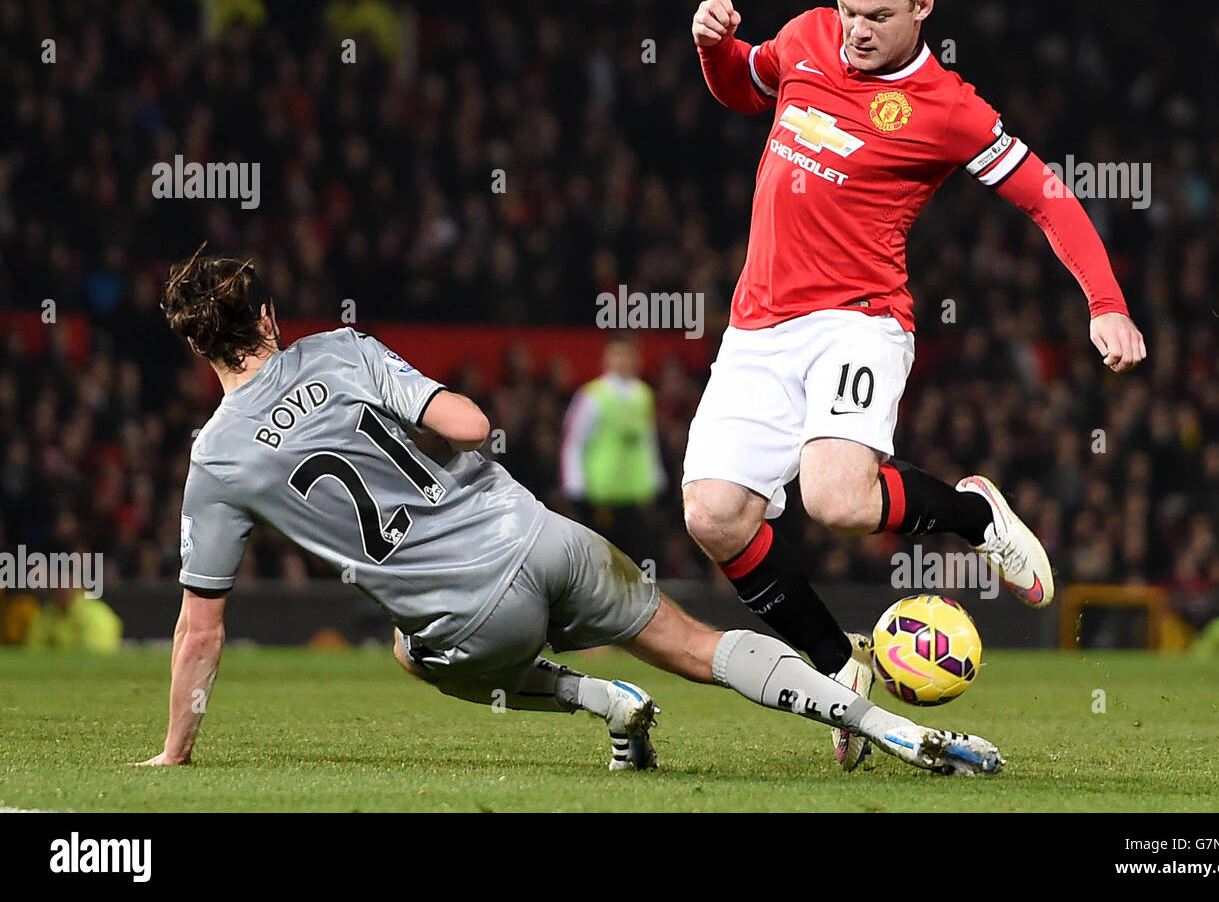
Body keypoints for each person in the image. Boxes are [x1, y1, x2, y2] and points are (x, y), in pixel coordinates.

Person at [135, 247, 1005, 777]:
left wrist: (177, 748)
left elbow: (200, 630)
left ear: (198, 348)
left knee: (411, 652)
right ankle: (885, 724)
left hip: (469, 620)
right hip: (545, 536)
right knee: (698, 646)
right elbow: (469, 424)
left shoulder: (216, 459)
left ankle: (596, 696)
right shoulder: (341, 349)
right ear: (269, 317)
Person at [685, 0, 1147, 770]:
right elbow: (745, 87)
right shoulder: (808, 34)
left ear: (923, 7)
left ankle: (976, 517)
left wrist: (1106, 303)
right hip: (757, 324)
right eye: (849, 10)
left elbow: (1048, 197)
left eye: (878, 15)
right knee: (712, 515)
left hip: (858, 318)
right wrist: (715, 47)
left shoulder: (947, 107)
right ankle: (839, 666)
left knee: (838, 499)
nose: (856, 30)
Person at [559, 334, 666, 567]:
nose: (624, 360)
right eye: (618, 354)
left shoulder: (644, 394)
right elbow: (574, 441)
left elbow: (648, 440)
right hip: (602, 493)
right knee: (603, 561)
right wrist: (574, 484)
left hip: (636, 493)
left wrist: (655, 479)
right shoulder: (592, 395)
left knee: (635, 560)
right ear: (606, 358)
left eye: (629, 355)